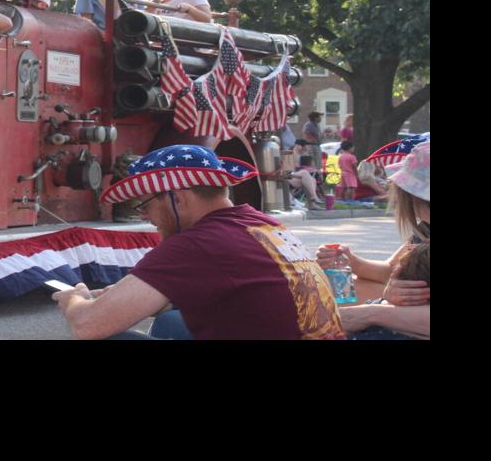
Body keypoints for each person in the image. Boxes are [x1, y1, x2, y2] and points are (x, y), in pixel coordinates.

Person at [52, 145, 344, 340]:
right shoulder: (261, 223)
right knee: (171, 322)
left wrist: (75, 299)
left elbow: (88, 324)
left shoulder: (196, 243)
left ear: (177, 198)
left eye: (146, 205)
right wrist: (133, 296)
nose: (146, 217)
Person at [321, 142, 430, 337]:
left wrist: (373, 313)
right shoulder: (424, 231)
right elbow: (390, 271)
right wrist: (352, 261)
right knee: (344, 285)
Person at [288, 137, 324, 209]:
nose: (306, 150)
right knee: (304, 173)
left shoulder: (300, 155)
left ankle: (312, 204)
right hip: (287, 176)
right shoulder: (291, 153)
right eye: (305, 147)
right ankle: (314, 196)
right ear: (299, 146)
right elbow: (293, 168)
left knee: (312, 179)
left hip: (293, 176)